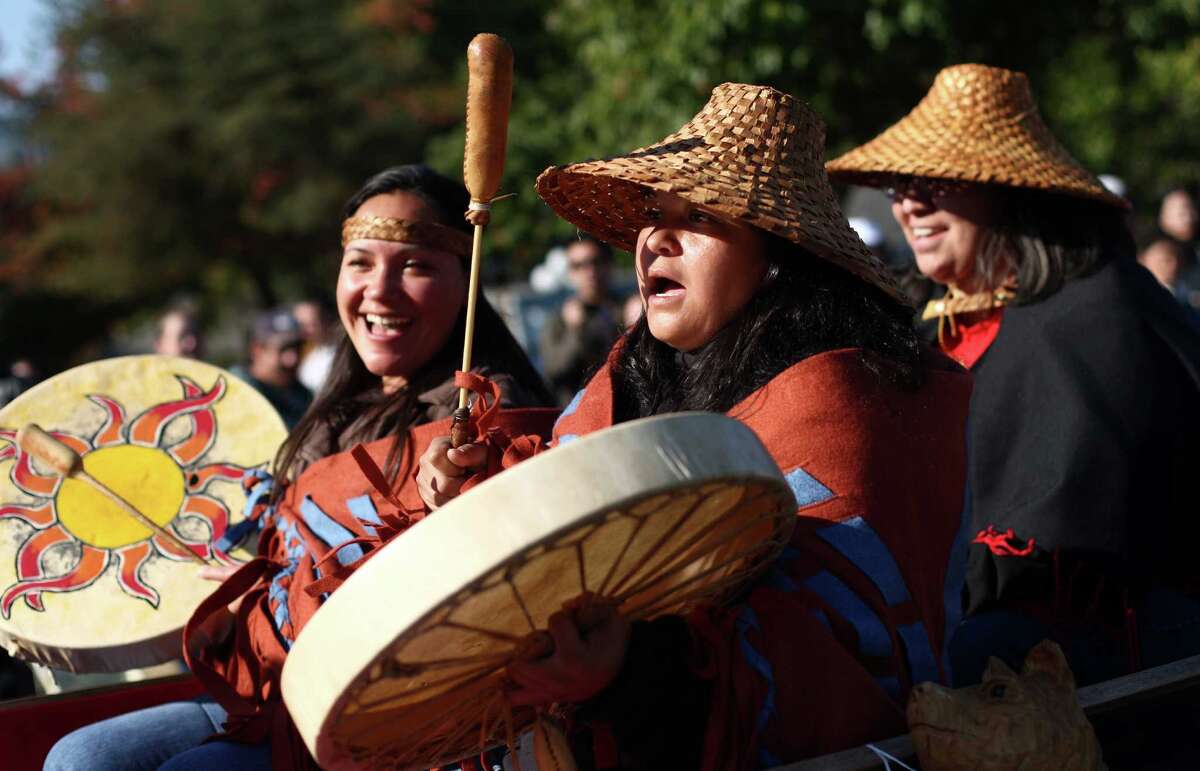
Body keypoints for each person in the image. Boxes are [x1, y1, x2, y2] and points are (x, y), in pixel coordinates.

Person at [418, 83, 972, 768]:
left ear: (779, 255)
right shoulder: (634, 369)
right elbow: (564, 495)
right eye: (653, 212)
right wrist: (479, 484)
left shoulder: (849, 403)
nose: (655, 239)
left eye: (699, 215)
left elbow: (819, 666)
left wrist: (630, 666)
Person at [43, 165, 554, 771]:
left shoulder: (488, 414)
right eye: (360, 263)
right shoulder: (335, 405)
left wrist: (472, 495)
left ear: (465, 283)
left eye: (415, 266)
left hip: (391, 724)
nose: (380, 292)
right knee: (79, 758)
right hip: (268, 691)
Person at [826, 63, 1200, 687]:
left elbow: (1069, 549)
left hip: (1114, 679)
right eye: (896, 185)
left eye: (936, 182)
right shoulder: (941, 323)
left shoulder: (1093, 312)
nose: (908, 204)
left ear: (1007, 189)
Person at [538, 236, 623, 405]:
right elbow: (554, 371)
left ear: (608, 264)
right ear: (570, 272)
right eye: (578, 266)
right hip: (580, 416)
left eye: (595, 261)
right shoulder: (560, 320)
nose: (589, 271)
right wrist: (574, 330)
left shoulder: (627, 309)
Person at [230, 309, 313, 429]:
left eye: (297, 348)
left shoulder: (304, 396)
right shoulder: (235, 393)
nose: (293, 359)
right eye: (284, 349)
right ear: (257, 350)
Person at [292, 299, 337, 394]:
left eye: (311, 325)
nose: (304, 331)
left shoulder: (347, 351)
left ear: (327, 321)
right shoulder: (300, 358)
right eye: (299, 325)